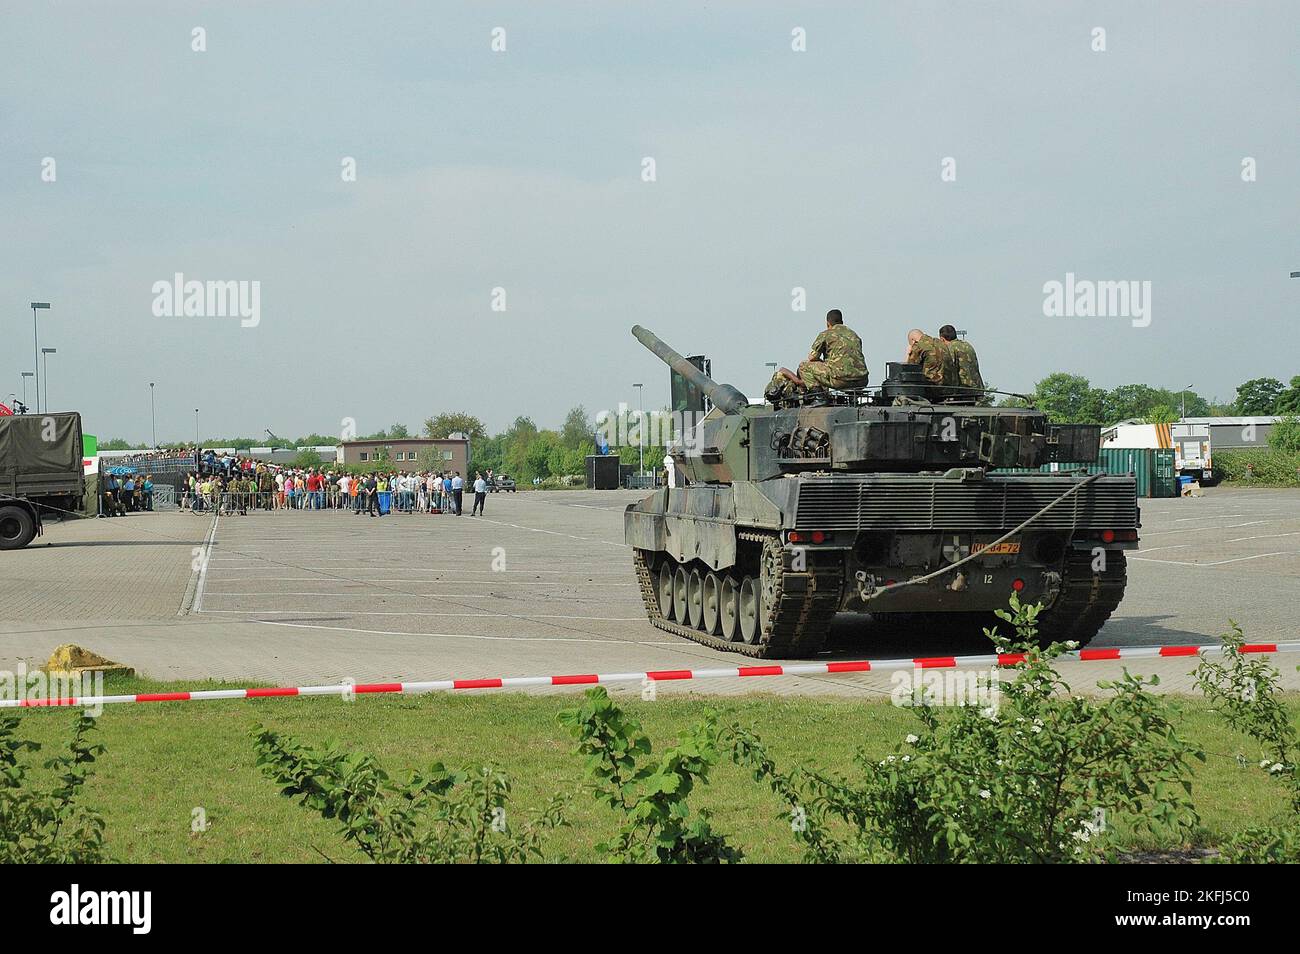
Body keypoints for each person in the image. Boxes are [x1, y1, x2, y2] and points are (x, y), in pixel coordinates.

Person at [765, 309, 868, 400]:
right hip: (862, 380)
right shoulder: (854, 335)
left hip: (840, 380)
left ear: (828, 323)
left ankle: (819, 397)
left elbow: (812, 357)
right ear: (842, 322)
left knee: (804, 366)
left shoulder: (826, 334)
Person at [937, 324, 986, 400]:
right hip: (976, 389)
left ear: (942, 339)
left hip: (962, 391)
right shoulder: (967, 345)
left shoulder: (951, 348)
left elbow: (949, 371)